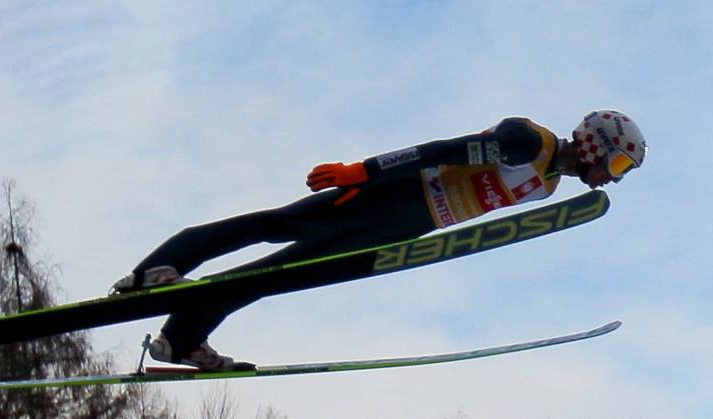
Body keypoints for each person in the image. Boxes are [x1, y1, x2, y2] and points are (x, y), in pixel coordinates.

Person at [112, 110, 647, 370]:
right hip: (393, 195)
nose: (613, 178)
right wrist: (364, 171)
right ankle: (155, 270)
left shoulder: (548, 184)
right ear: (594, 144)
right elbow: (442, 150)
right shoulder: (529, 144)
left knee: (279, 275)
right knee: (276, 226)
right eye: (618, 164)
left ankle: (182, 338)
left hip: (409, 224)